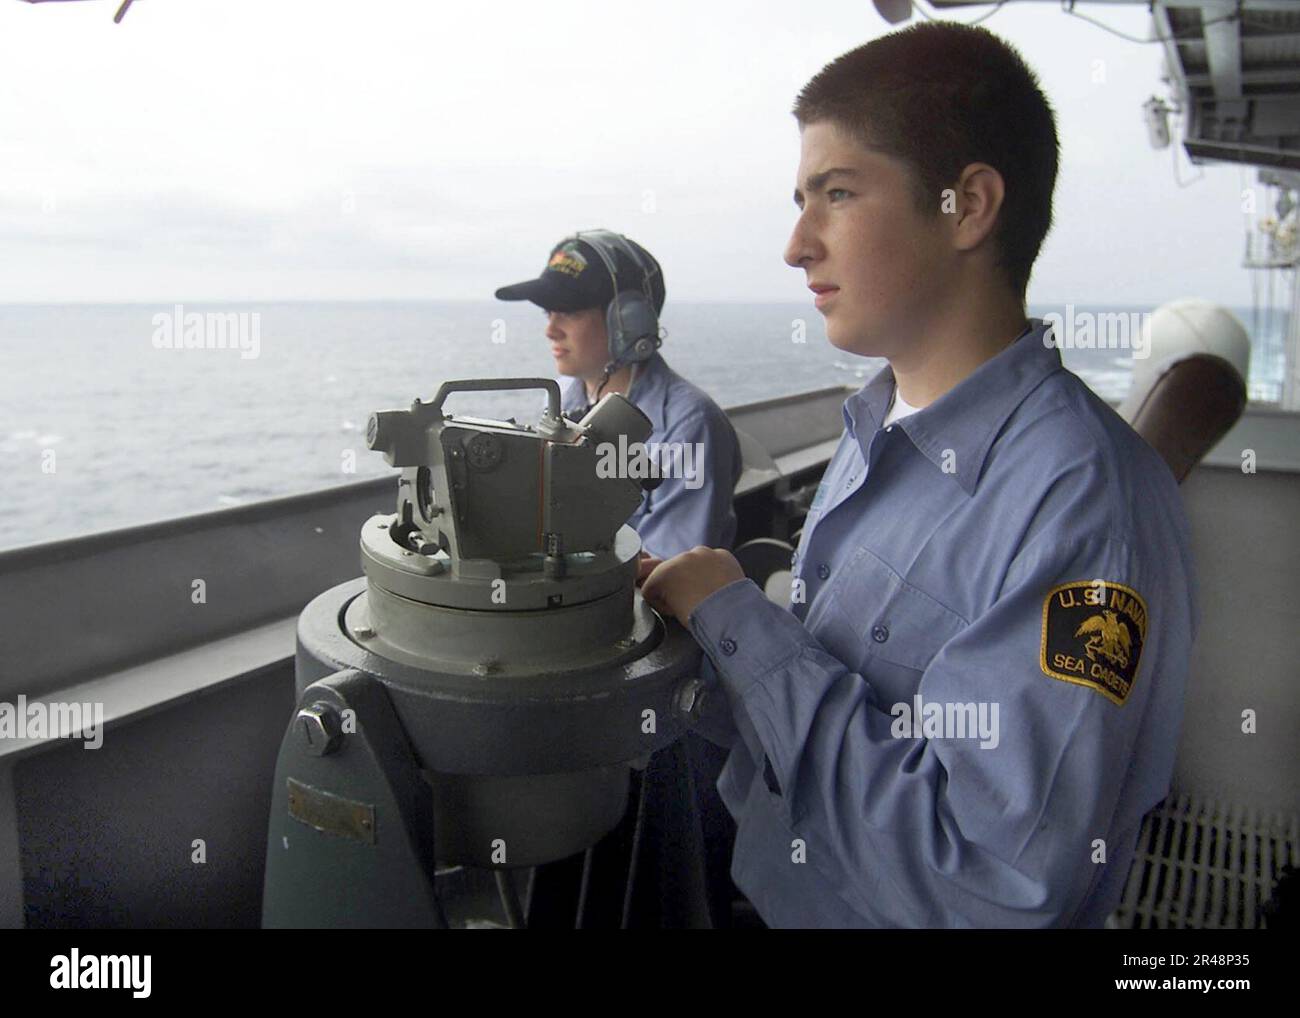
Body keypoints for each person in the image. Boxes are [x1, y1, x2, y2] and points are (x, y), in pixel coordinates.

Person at [640, 22, 1198, 927]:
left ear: (966, 206)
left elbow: (987, 884)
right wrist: (700, 645)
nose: (797, 244)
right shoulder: (876, 427)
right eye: (800, 199)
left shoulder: (1086, 507)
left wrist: (738, 617)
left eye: (838, 194)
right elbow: (846, 688)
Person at [495, 230, 742, 558]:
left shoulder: (689, 424)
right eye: (548, 313)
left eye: (569, 313)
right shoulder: (562, 400)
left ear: (628, 322)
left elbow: (668, 570)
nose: (550, 329)